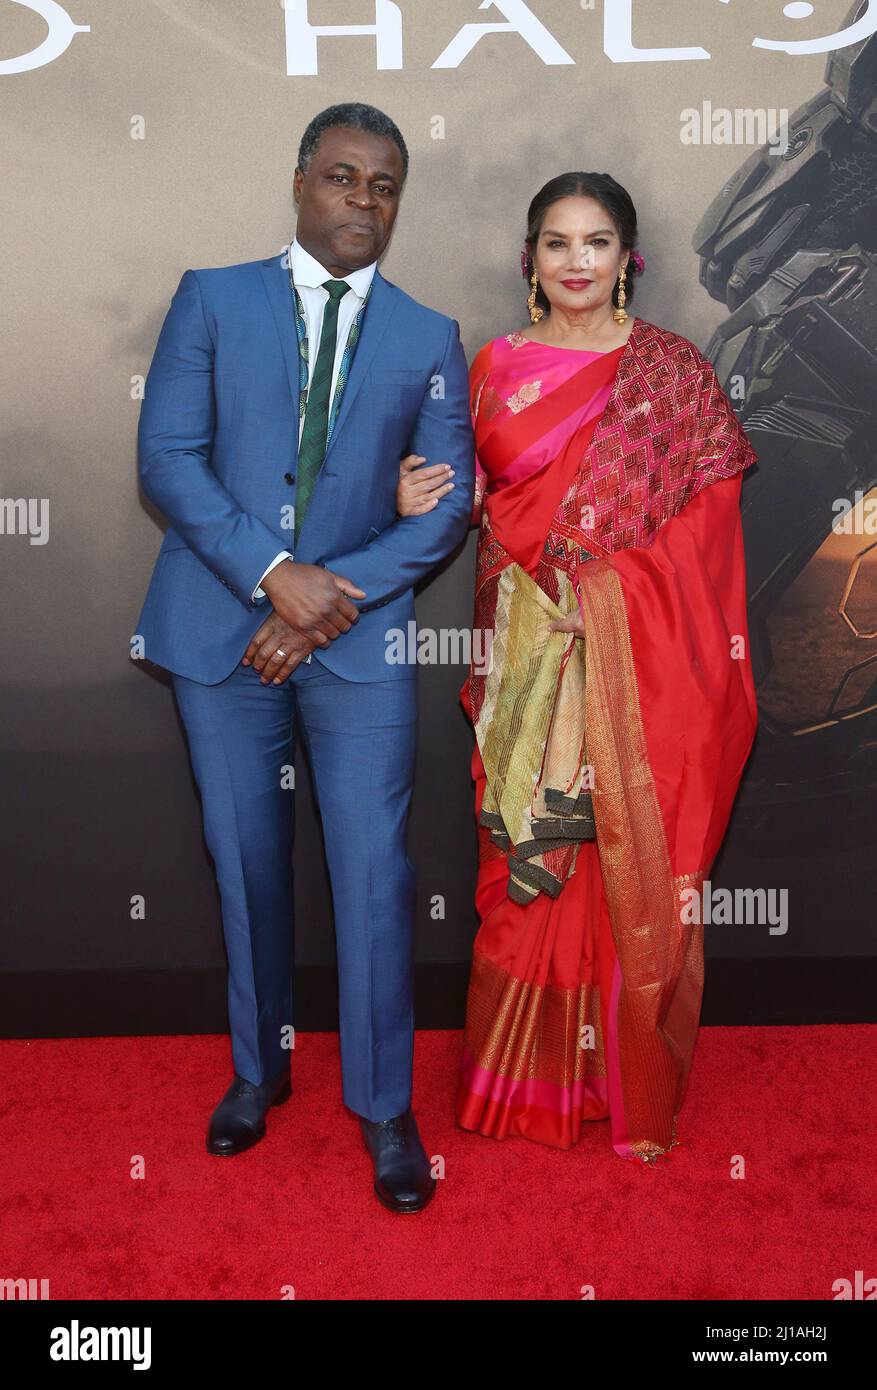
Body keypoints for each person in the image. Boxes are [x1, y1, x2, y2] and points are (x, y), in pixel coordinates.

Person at [134, 103, 475, 1213]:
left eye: (383, 186)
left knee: (373, 873)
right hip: (220, 629)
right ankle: (258, 1069)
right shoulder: (212, 298)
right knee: (245, 859)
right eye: (342, 178)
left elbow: (445, 506)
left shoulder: (428, 336)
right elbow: (170, 462)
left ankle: (383, 1104)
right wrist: (273, 573)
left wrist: (327, 598)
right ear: (298, 183)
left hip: (359, 640)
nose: (362, 203)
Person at [396, 172, 758, 1163]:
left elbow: (710, 523)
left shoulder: (672, 372)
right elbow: (468, 496)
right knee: (522, 851)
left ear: (626, 259)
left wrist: (615, 593)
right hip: (519, 644)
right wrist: (415, 489)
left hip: (622, 652)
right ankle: (516, 1079)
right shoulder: (494, 364)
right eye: (556, 243)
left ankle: (606, 1074)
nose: (575, 263)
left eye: (595, 243)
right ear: (531, 259)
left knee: (606, 848)